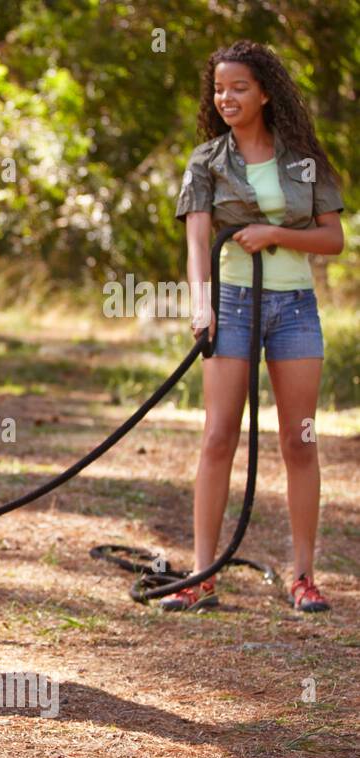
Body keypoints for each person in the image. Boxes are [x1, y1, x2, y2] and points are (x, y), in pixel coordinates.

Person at [170, 40, 345, 613]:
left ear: (265, 92)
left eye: (239, 87)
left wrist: (274, 234)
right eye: (219, 88)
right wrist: (202, 304)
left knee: (300, 438)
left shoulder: (303, 160)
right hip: (233, 302)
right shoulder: (206, 161)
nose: (227, 98)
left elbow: (332, 239)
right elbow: (198, 240)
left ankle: (303, 576)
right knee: (219, 435)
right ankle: (203, 573)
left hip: (293, 304)